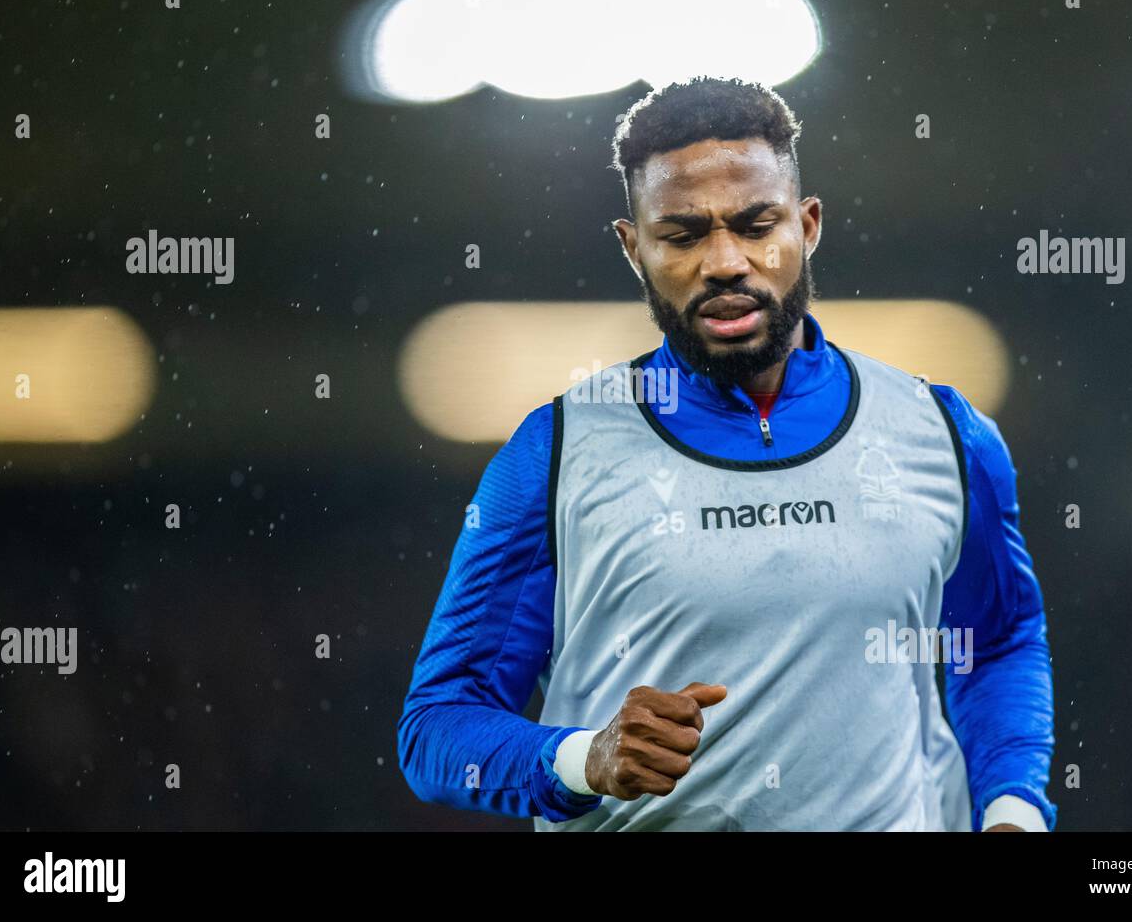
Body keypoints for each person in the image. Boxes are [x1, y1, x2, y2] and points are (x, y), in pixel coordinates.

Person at [397, 76, 1056, 831]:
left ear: (806, 226)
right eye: (681, 235)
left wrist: (1013, 809)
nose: (725, 262)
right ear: (632, 246)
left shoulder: (941, 431)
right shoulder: (555, 456)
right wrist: (586, 757)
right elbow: (438, 728)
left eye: (754, 224)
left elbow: (997, 641)